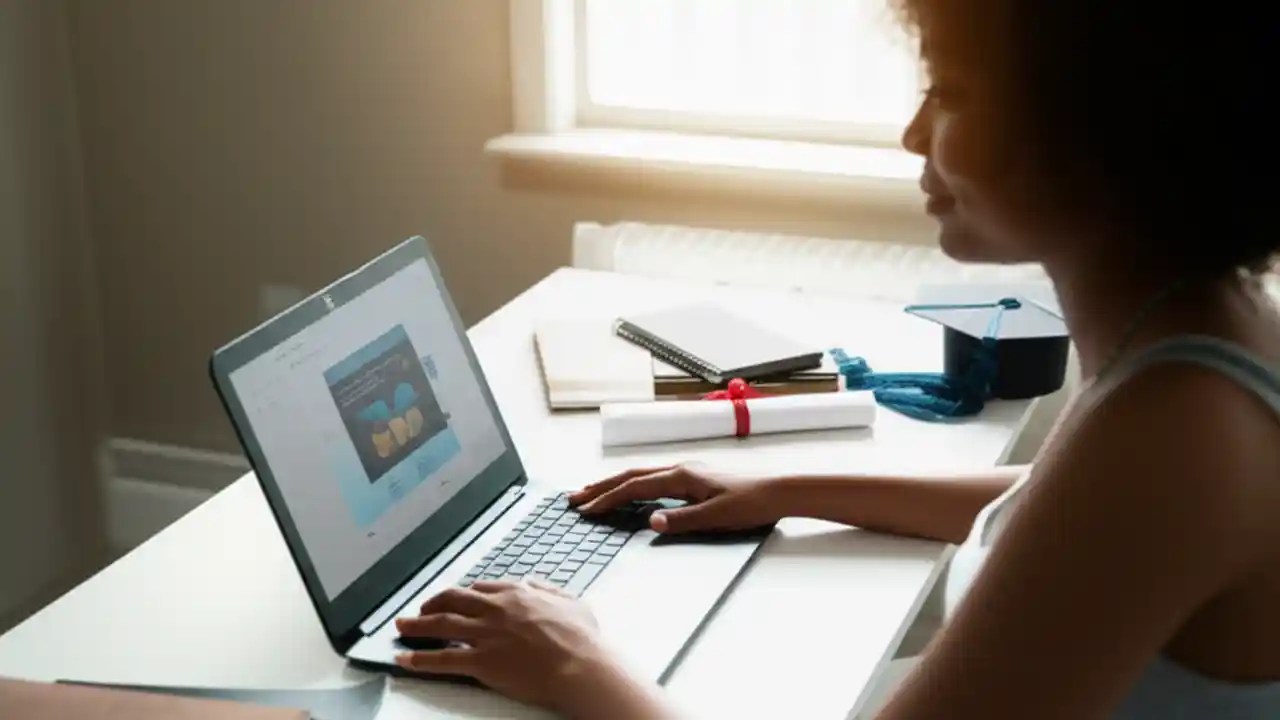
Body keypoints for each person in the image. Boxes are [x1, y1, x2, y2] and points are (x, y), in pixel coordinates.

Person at [393, 2, 1280, 717]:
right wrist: (786, 488)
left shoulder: (1173, 431)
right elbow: (1052, 508)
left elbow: (1107, 509)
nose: (913, 134)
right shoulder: (1208, 331)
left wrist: (579, 667)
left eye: (953, 94)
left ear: (1101, 119)